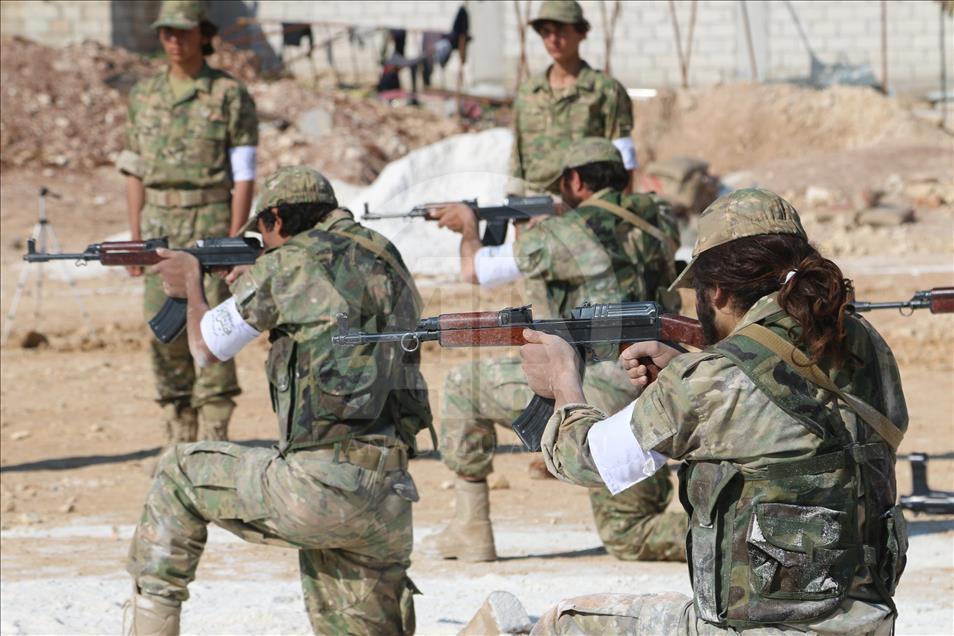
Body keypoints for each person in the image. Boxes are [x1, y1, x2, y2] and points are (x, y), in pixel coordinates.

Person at [518, 188, 908, 634]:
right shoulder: (865, 343)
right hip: (869, 624)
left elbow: (585, 459)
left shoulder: (711, 383)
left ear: (718, 291)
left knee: (563, 624)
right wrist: (688, 373)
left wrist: (563, 380)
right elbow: (786, 413)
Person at [123, 166, 432, 635]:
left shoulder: (288, 263)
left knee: (177, 473)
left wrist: (191, 283)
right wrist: (255, 279)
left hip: (318, 489)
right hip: (389, 494)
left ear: (277, 219)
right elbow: (330, 301)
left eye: (263, 234)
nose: (263, 245)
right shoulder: (384, 253)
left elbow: (206, 349)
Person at [425, 138, 687, 563]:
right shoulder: (660, 218)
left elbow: (474, 270)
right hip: (657, 379)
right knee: (630, 531)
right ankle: (729, 530)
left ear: (576, 180)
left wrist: (471, 227)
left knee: (461, 384)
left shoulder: (562, 234)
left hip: (599, 387)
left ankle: (470, 529)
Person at [116, 0, 258, 446]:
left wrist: (234, 240)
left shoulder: (229, 95)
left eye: (182, 31)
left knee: (214, 326)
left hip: (210, 224)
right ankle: (178, 436)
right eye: (166, 33)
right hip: (159, 225)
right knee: (164, 329)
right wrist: (135, 239)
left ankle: (214, 436)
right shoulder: (144, 96)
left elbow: (244, 174)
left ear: (203, 33)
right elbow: (134, 171)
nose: (173, 41)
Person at [510, 0, 637, 195]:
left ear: (581, 32)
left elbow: (623, 155)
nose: (553, 40)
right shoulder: (529, 92)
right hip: (535, 203)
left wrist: (621, 212)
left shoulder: (605, 90)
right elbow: (517, 157)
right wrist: (515, 206)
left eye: (561, 31)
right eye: (546, 32)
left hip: (587, 207)